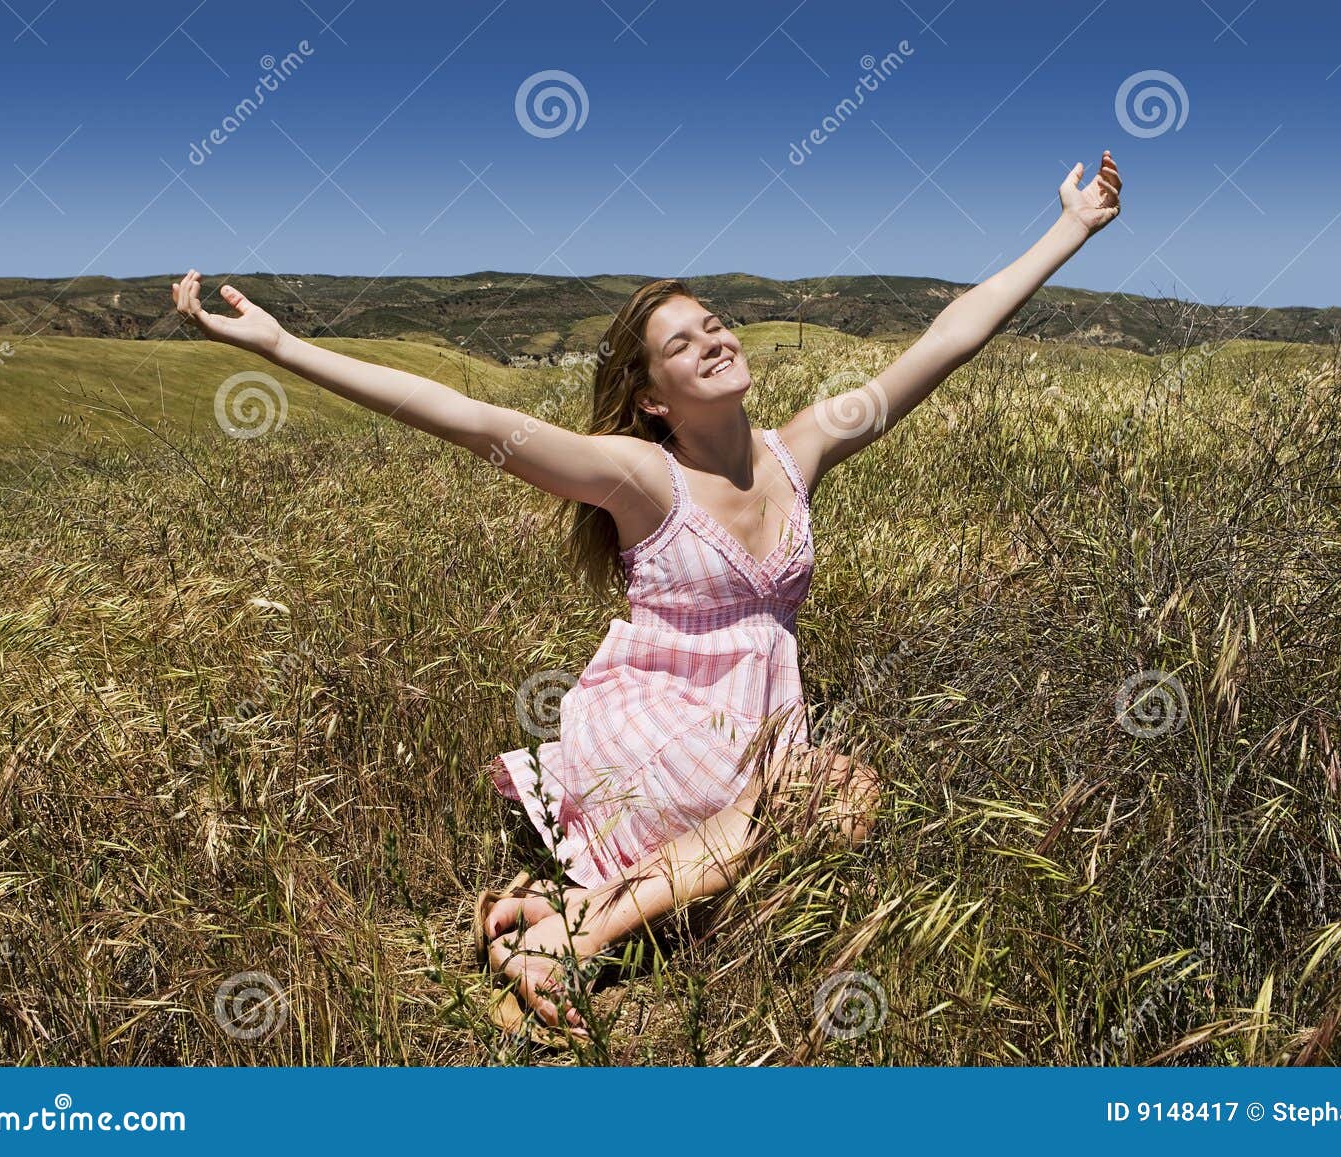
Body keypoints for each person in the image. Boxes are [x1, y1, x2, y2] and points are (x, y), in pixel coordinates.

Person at [171, 150, 1122, 1036]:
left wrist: (1070, 229)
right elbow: (469, 417)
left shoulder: (802, 451)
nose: (713, 339)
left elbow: (946, 339)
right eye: (682, 342)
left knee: (849, 804)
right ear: (654, 395)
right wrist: (282, 345)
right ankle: (575, 941)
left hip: (756, 723)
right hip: (659, 720)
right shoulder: (640, 476)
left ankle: (549, 916)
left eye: (715, 322)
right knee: (781, 810)